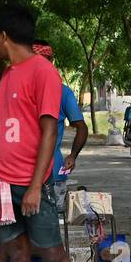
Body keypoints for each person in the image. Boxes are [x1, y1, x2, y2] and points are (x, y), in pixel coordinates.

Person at [0, 3, 90, 262]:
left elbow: (50, 131)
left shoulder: (43, 72)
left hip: (31, 183)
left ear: (4, 36)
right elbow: (0, 132)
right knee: (18, 252)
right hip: (3, 184)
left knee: (53, 253)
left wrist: (37, 185)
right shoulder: (8, 76)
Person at [32, 39, 88, 215]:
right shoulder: (23, 89)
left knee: (52, 225)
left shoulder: (63, 92)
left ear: (51, 63)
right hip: (23, 172)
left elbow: (81, 127)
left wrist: (73, 155)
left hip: (53, 174)